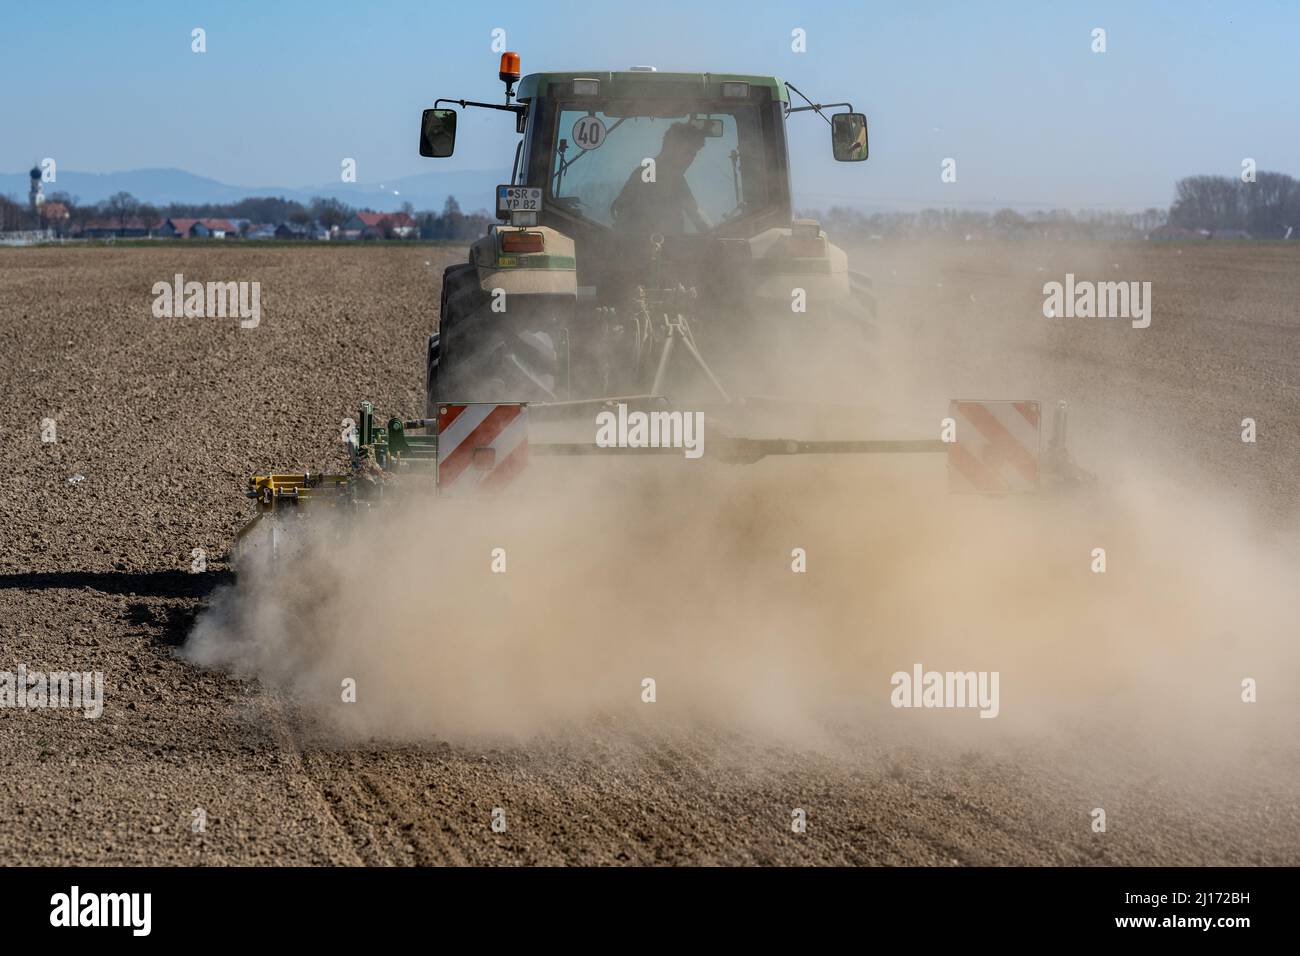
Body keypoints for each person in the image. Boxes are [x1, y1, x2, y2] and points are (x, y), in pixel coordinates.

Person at [611, 121, 710, 234]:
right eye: (687, 152)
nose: (691, 159)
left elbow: (695, 215)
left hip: (668, 247)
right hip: (646, 247)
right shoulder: (647, 174)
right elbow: (622, 213)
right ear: (671, 147)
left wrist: (711, 235)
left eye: (694, 154)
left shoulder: (676, 178)